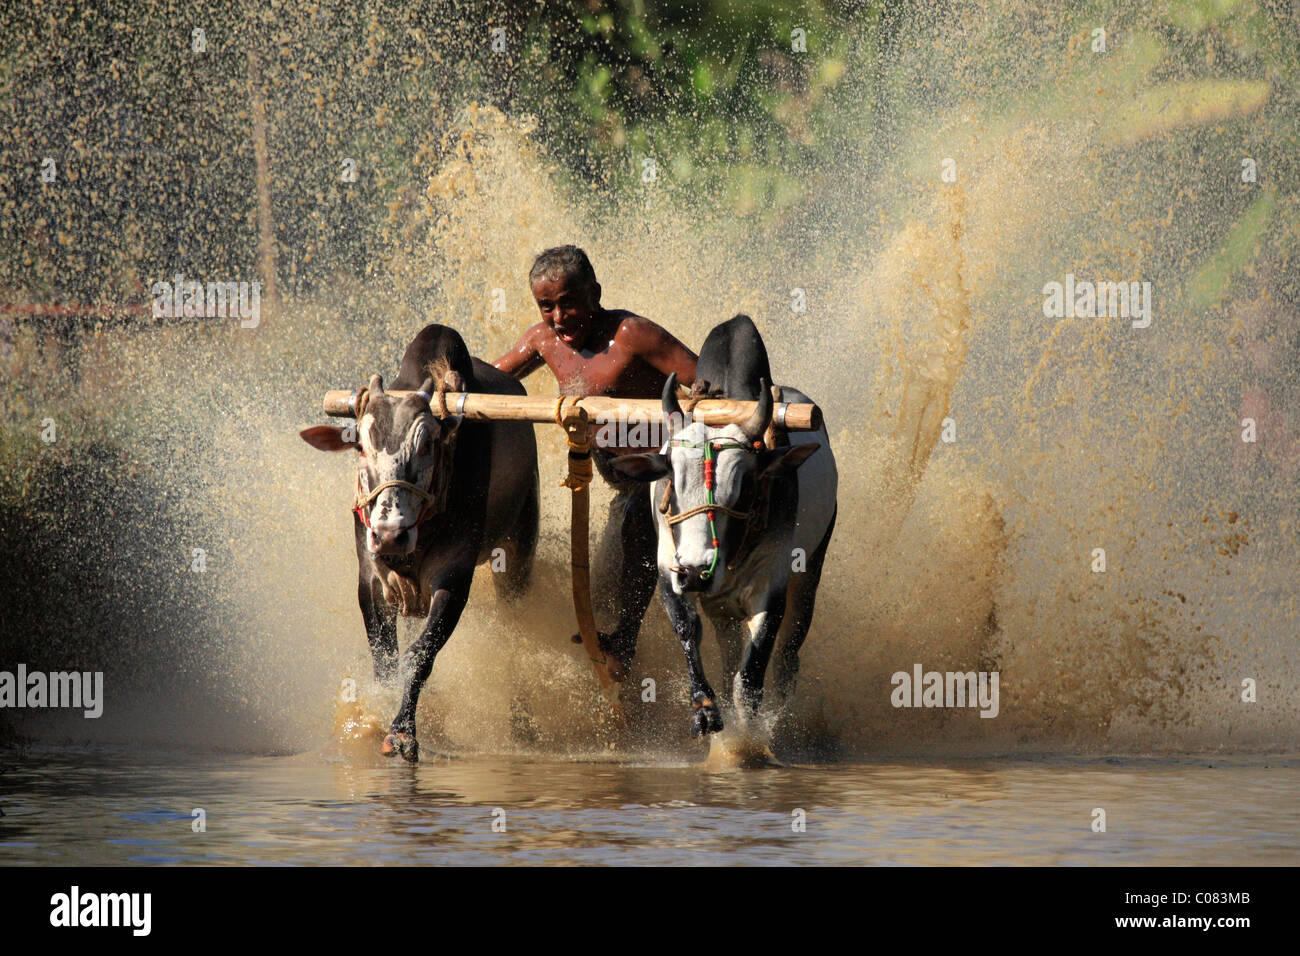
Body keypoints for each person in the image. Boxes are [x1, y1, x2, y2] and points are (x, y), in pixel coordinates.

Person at [493, 245, 698, 679]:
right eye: (547, 306)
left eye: (569, 302)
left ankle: (626, 639)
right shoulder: (542, 340)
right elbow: (489, 378)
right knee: (601, 593)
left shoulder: (631, 335)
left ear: (595, 294)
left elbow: (703, 376)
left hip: (669, 480)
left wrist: (703, 395)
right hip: (623, 490)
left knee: (639, 526)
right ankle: (630, 687)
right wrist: (449, 379)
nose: (559, 317)